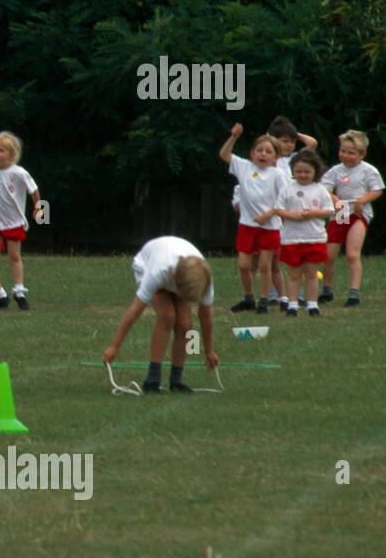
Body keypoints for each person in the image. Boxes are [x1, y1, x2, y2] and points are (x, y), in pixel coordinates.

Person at [102, 236, 218, 393]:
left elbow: (205, 317)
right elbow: (135, 311)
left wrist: (209, 351)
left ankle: (176, 380)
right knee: (167, 316)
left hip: (180, 273)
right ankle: (153, 378)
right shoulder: (157, 272)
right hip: (146, 264)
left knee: (185, 324)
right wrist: (114, 346)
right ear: (173, 281)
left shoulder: (203, 279)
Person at [256, 149, 333, 317]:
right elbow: (278, 209)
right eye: (298, 171)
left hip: (315, 238)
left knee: (312, 273)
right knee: (294, 274)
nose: (303, 175)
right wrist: (292, 216)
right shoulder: (287, 189)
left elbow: (329, 211)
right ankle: (292, 305)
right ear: (292, 171)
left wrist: (312, 213)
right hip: (292, 239)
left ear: (315, 172)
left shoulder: (320, 190)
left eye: (307, 171)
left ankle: (312, 305)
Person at [218, 123, 284, 313]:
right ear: (252, 153)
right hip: (247, 225)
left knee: (265, 266)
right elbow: (224, 154)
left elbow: (284, 200)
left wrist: (268, 214)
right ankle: (248, 298)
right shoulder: (244, 167)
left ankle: (263, 301)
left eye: (268, 152)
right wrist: (234, 137)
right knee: (243, 265)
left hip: (269, 226)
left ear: (275, 158)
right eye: (259, 150)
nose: (263, 154)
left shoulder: (277, 175)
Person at [320, 130, 384, 307]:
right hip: (340, 212)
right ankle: (326, 291)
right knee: (329, 255)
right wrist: (337, 201)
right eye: (343, 151)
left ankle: (354, 294)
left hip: (358, 213)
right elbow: (324, 189)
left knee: (352, 254)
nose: (346, 156)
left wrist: (362, 200)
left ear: (362, 154)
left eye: (351, 152)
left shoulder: (368, 170)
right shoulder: (336, 171)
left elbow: (377, 190)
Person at [0, 132, 41, 310]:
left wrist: (38, 207)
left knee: (14, 257)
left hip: (13, 221)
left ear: (12, 155)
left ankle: (19, 292)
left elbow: (34, 191)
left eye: (1, 151)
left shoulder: (19, 173)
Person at [265, 115, 317, 307]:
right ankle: (272, 293)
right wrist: (270, 139)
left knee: (295, 254)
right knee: (272, 257)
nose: (288, 145)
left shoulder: (293, 161)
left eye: (292, 141)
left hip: (292, 213)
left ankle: (299, 293)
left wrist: (295, 134)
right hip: (274, 213)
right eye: (284, 141)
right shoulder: (269, 160)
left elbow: (312, 142)